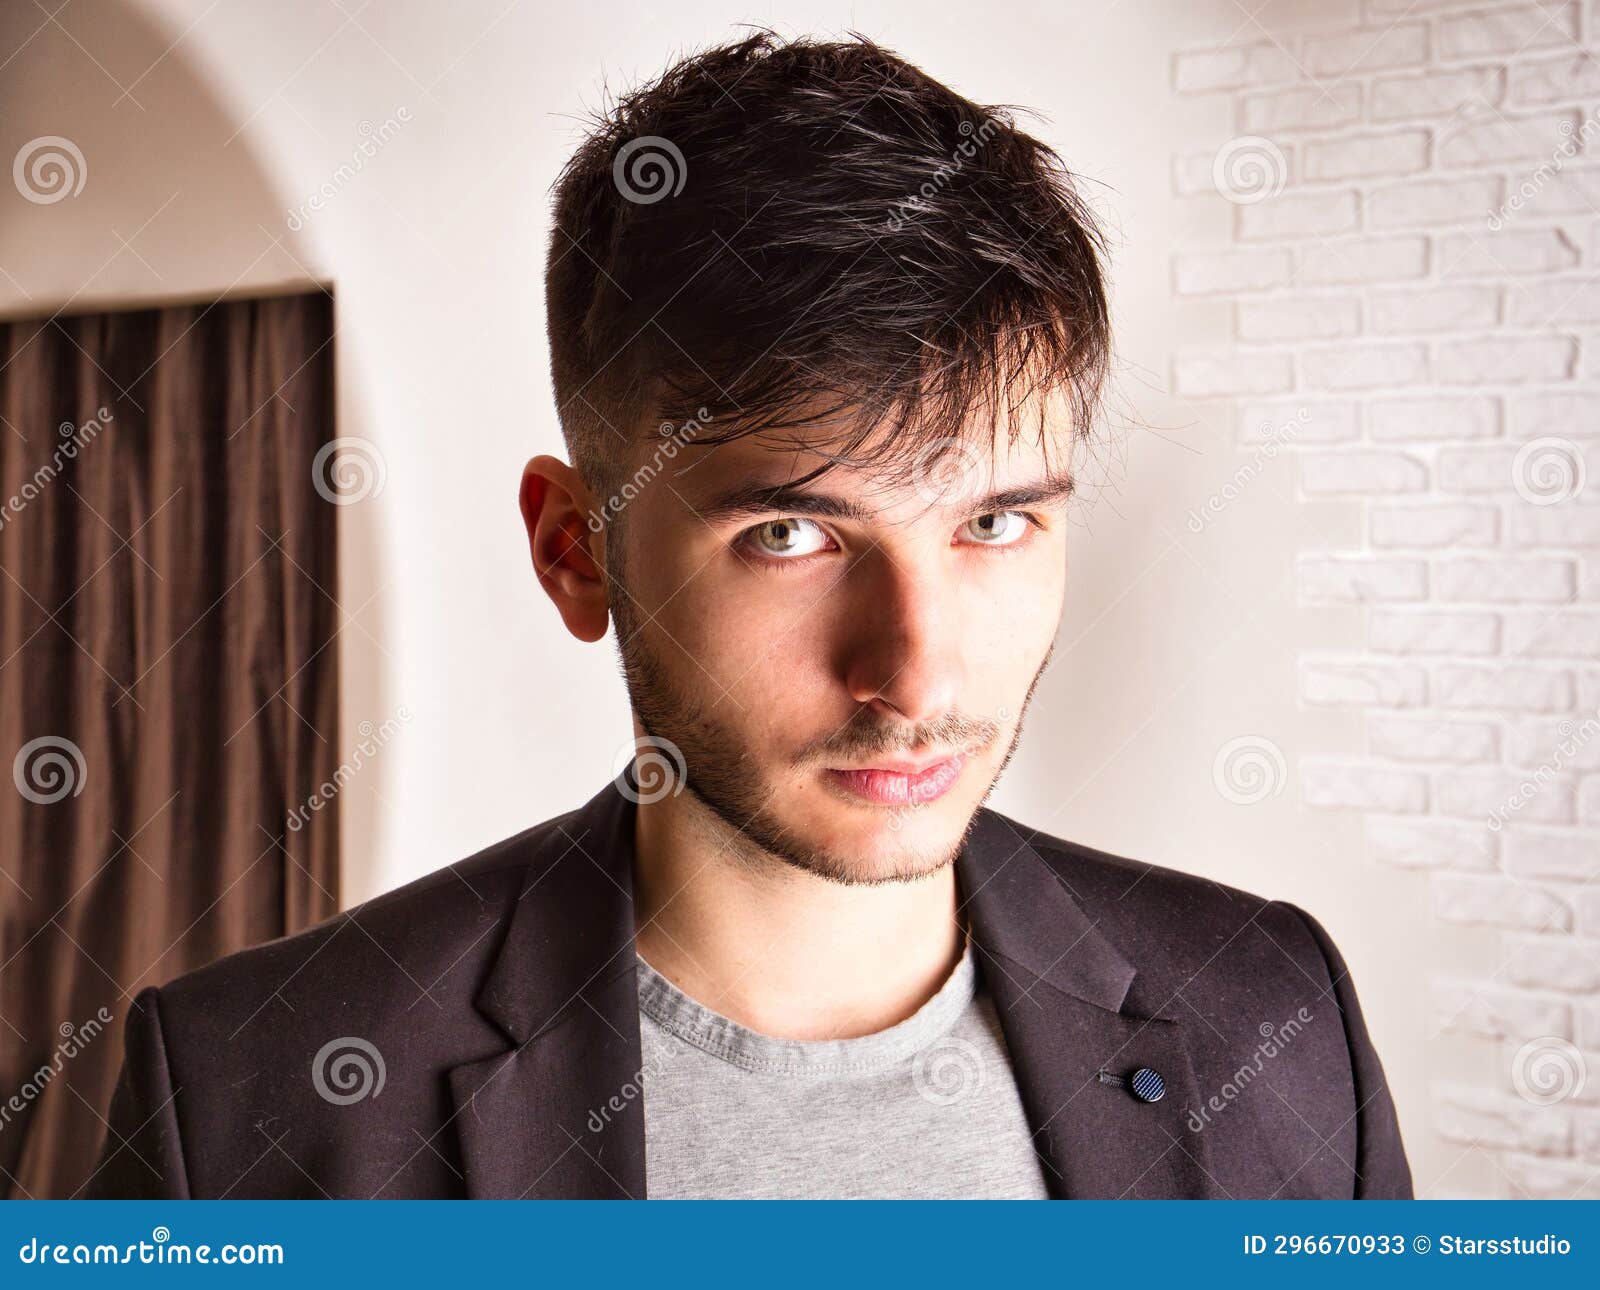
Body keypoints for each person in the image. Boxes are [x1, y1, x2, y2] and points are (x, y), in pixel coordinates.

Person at [88, 29, 1411, 1200]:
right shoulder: (253, 1104)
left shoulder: (1276, 1021)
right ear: (575, 550)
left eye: (995, 522)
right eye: (793, 533)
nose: (917, 667)